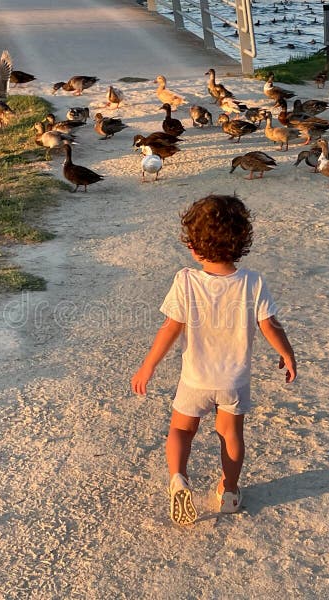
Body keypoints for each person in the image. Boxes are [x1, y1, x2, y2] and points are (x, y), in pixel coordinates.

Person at [131, 194, 297, 525]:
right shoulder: (252, 282)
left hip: (195, 379)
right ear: (242, 243)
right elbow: (270, 325)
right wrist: (286, 352)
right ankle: (230, 491)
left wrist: (147, 366)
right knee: (231, 434)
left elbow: (170, 329)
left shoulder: (186, 281)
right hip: (233, 381)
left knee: (180, 428)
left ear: (192, 246)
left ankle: (178, 477)